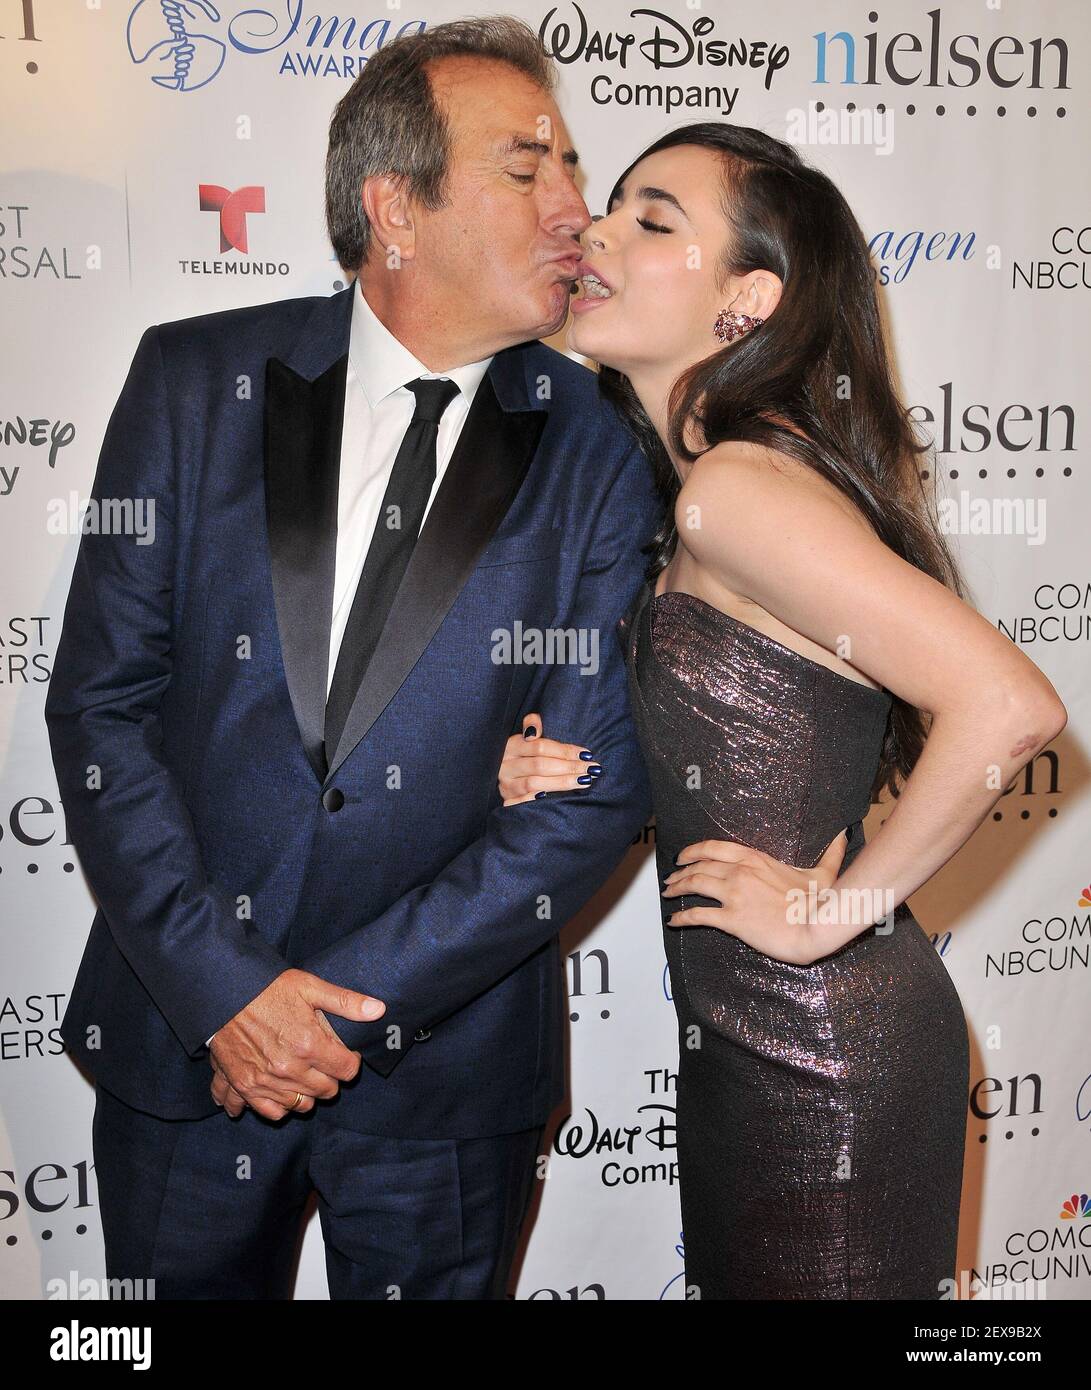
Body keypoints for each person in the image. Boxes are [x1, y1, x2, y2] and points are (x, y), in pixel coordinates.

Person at [44, 17, 660, 1300]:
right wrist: (227, 994)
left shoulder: (599, 444)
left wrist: (317, 1015)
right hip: (184, 1047)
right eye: (526, 167)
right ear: (395, 206)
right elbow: (105, 708)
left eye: (572, 167)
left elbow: (592, 791)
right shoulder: (193, 379)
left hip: (444, 1080)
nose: (577, 208)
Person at [497, 122, 1067, 1299]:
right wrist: (574, 765)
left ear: (745, 301)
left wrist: (836, 907)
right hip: (756, 1044)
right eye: (609, 206)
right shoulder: (713, 485)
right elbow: (754, 745)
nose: (596, 230)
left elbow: (1006, 703)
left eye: (654, 221)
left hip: (818, 1048)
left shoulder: (735, 489)